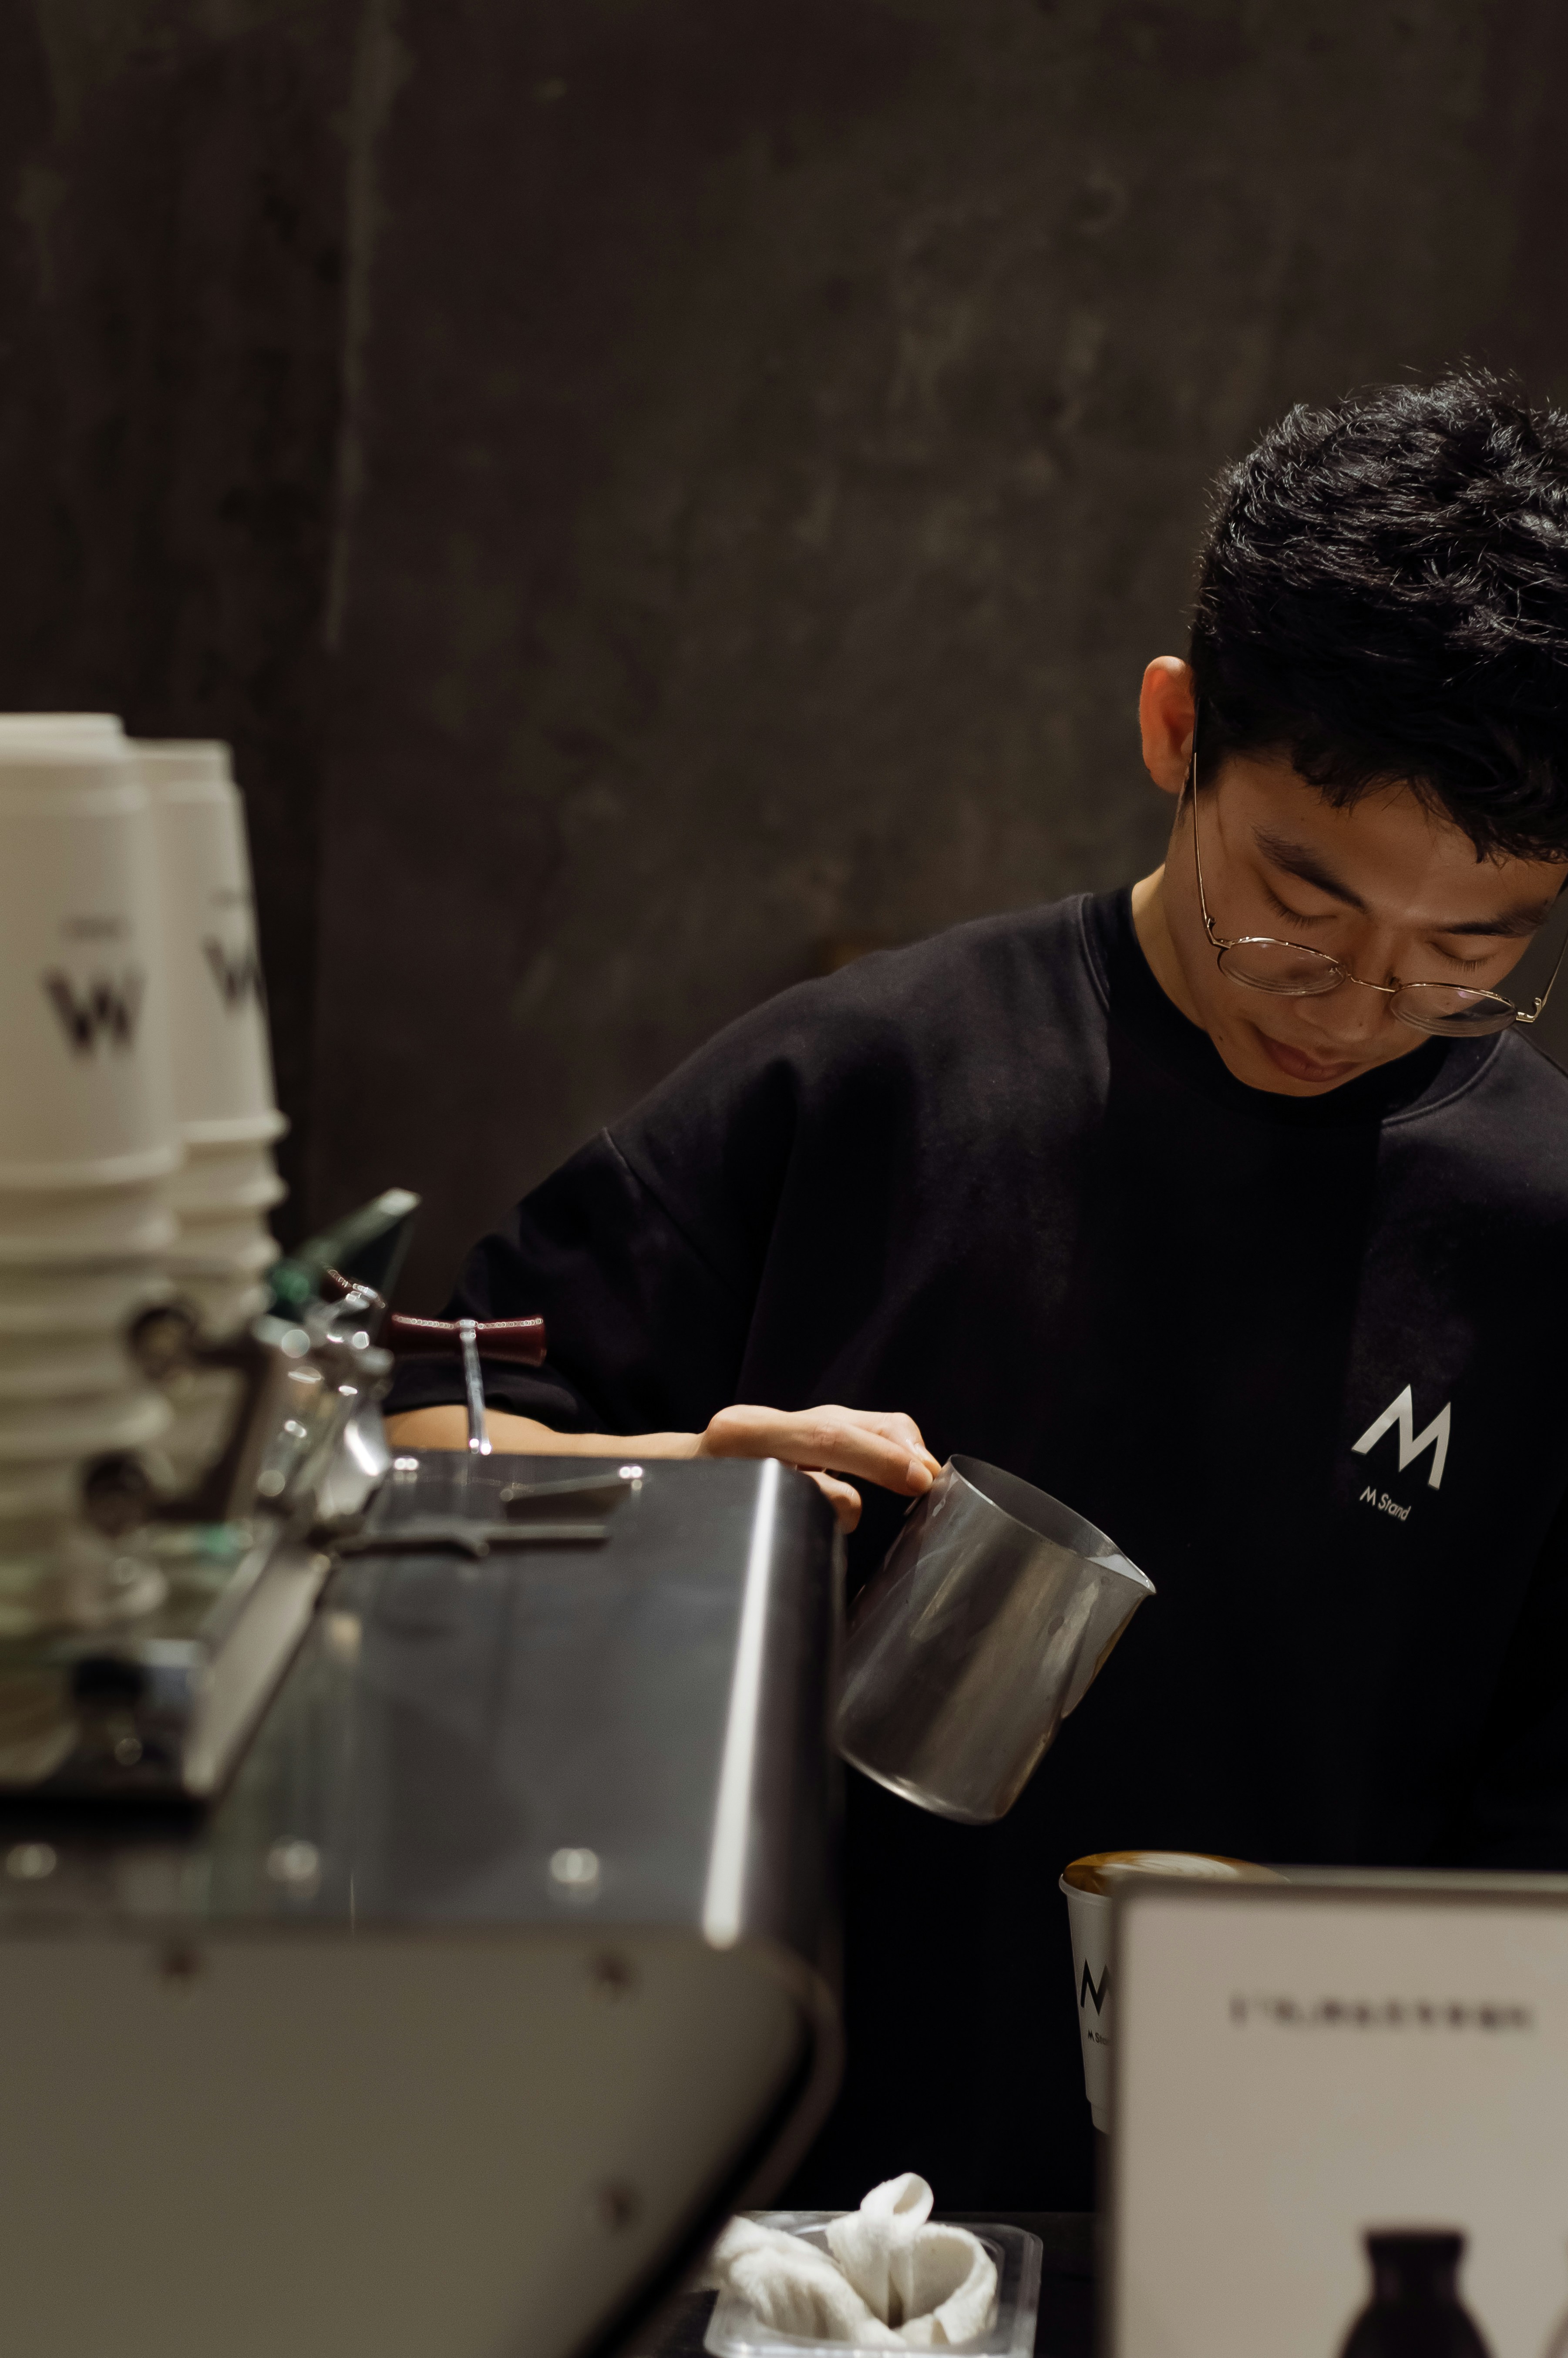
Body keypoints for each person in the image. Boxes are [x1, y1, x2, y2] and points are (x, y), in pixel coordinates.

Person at [385, 372, 1568, 2209]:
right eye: (1299, 907)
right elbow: (416, 1446)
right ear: (1176, 729)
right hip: (782, 2203)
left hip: (1313, 2233)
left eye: (1463, 959)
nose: (1348, 1006)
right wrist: (678, 1499)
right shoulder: (869, 1078)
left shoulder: (1536, 1229)